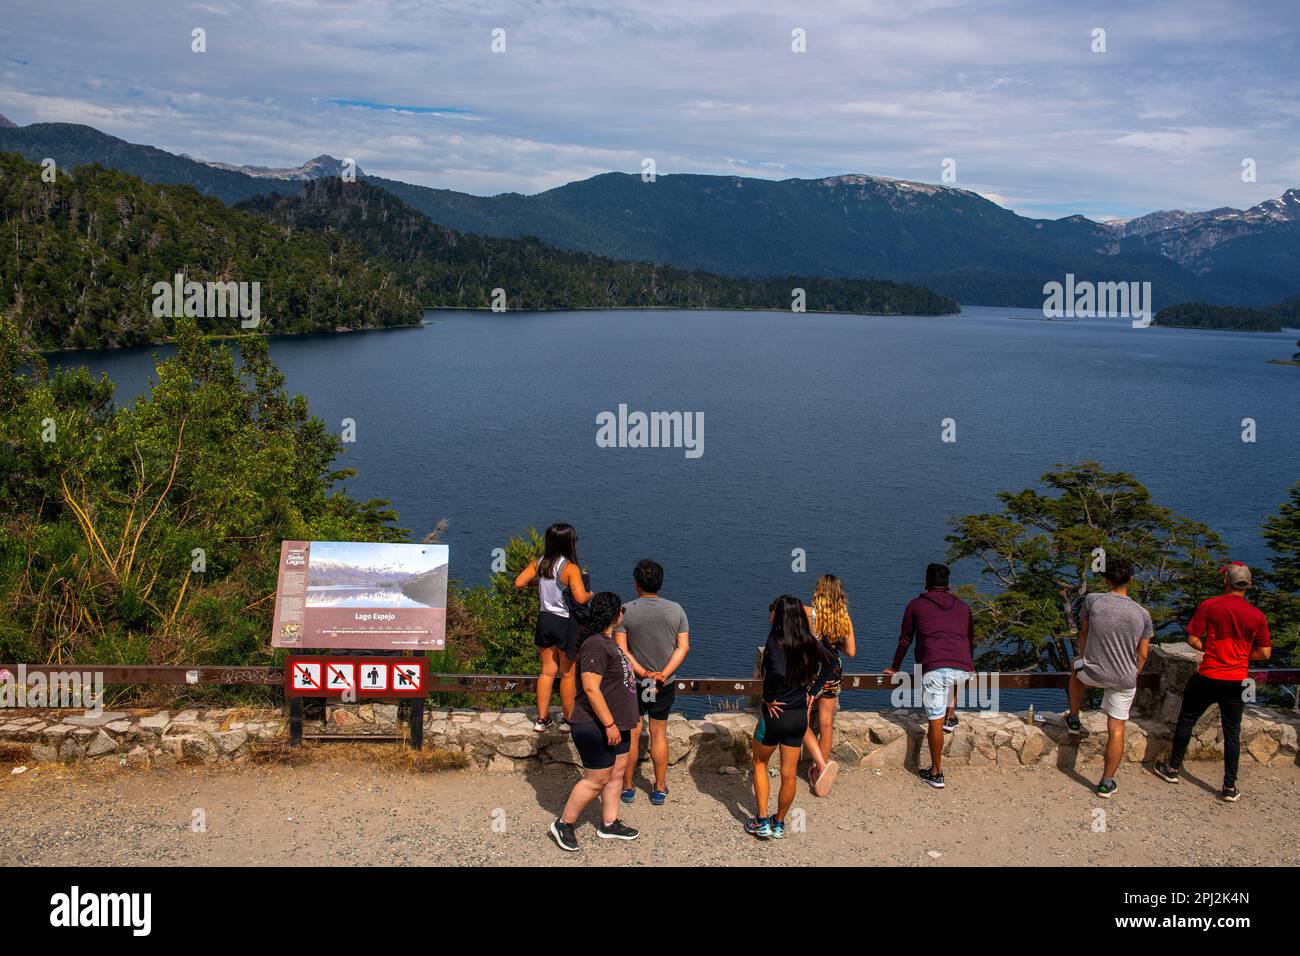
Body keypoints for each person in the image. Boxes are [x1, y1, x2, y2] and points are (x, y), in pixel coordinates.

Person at [1155, 562, 1272, 802]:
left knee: (1186, 721)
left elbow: (1192, 638)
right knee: (1232, 732)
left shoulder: (1209, 606)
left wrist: (1210, 649)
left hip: (1208, 675)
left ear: (1225, 582)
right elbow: (1265, 653)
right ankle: (1229, 787)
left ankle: (1173, 769)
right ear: (1248, 586)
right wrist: (1240, 656)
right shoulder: (1257, 616)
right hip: (1237, 679)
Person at [549, 592, 641, 851]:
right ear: (615, 615)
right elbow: (590, 688)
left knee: (617, 774)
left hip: (619, 724)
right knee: (597, 779)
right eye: (621, 610)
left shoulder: (608, 642)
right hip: (595, 724)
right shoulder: (595, 645)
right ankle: (564, 824)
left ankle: (609, 823)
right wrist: (609, 724)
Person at [1063, 557, 1153, 799]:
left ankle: (1073, 718)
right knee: (1116, 729)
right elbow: (1143, 654)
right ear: (1131, 580)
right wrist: (1133, 673)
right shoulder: (1142, 613)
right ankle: (1106, 782)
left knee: (1075, 673)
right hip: (1124, 677)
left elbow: (1084, 631)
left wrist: (1082, 656)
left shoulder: (1093, 601)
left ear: (1106, 579)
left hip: (1093, 672)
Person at [885, 563, 974, 789]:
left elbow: (905, 639)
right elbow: (970, 640)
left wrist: (895, 667)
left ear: (926, 583)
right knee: (954, 675)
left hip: (935, 668)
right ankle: (951, 715)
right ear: (949, 584)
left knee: (935, 721)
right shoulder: (964, 607)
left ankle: (936, 772)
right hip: (964, 667)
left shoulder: (916, 606)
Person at [746, 594, 826, 840]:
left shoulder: (774, 641)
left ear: (779, 615)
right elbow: (832, 665)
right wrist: (813, 691)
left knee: (760, 763)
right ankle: (779, 823)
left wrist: (769, 697)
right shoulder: (809, 642)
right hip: (799, 716)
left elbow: (775, 672)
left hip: (776, 715)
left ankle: (761, 821)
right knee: (788, 774)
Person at [614, 559, 690, 806]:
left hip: (635, 683)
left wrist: (644, 672)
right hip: (663, 684)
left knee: (633, 734)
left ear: (637, 584)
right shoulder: (676, 610)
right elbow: (683, 647)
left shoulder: (626, 611)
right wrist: (662, 674)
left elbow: (622, 650)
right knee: (658, 733)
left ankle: (627, 787)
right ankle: (658, 788)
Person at [514, 523, 592, 733]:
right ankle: (567, 720)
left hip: (544, 619)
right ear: (569, 543)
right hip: (564, 622)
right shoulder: (570, 568)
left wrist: (538, 583)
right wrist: (589, 595)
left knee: (547, 672)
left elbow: (519, 582)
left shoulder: (540, 563)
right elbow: (580, 598)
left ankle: (541, 719)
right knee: (567, 674)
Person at [802, 574, 855, 798]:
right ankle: (817, 772)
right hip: (833, 671)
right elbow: (851, 652)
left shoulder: (808, 613)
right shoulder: (844, 619)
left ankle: (821, 765)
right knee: (826, 724)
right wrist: (837, 642)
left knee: (800, 721)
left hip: (810, 671)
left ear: (819, 592)